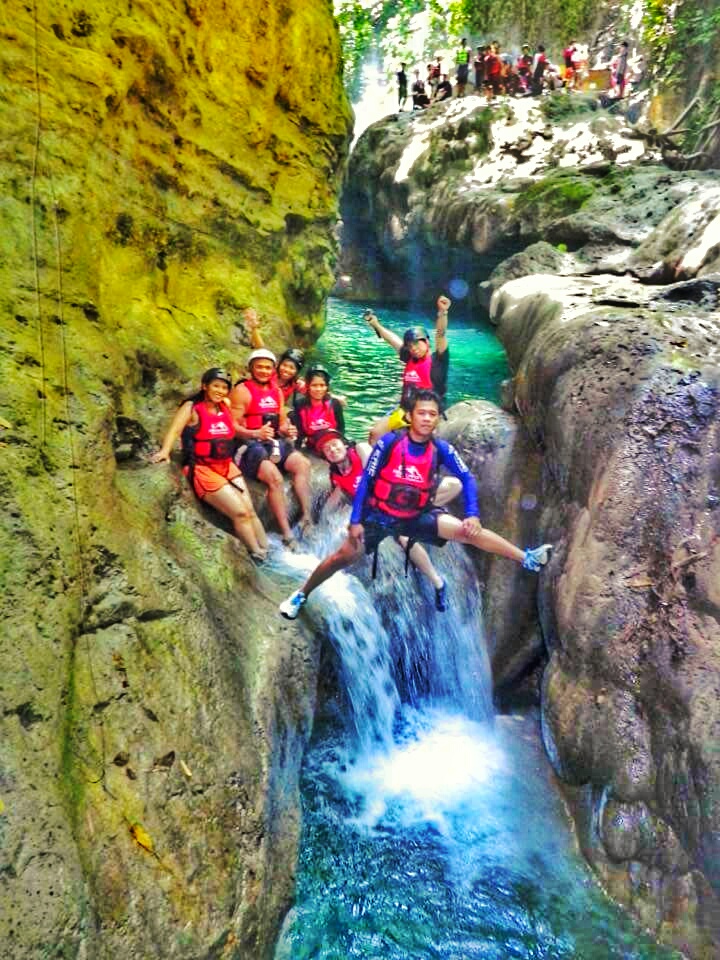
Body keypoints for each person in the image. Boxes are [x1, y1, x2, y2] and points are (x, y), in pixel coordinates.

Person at [279, 390, 553, 619]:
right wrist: (355, 521)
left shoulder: (441, 449)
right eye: (422, 413)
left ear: (437, 419)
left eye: (432, 414)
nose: (427, 418)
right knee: (340, 558)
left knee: (468, 531)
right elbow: (366, 481)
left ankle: (527, 558)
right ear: (410, 416)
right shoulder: (390, 443)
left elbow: (467, 478)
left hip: (414, 514)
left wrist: (472, 514)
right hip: (379, 514)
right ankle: (301, 594)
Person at [313, 429, 462, 611]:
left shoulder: (360, 450)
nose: (332, 449)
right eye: (327, 449)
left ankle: (437, 580)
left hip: (396, 496)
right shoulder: (337, 477)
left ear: (344, 444)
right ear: (325, 457)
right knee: (402, 537)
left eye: (335, 444)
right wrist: (317, 522)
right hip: (382, 512)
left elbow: (374, 473)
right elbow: (334, 500)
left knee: (453, 486)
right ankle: (438, 583)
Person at [150, 368, 268, 560]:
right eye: (216, 386)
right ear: (205, 386)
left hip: (227, 466)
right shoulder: (191, 408)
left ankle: (266, 549)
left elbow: (233, 427)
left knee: (250, 510)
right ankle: (257, 553)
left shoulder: (225, 405)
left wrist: (255, 433)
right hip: (203, 468)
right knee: (240, 513)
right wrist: (165, 451)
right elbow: (175, 430)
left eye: (224, 388)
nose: (220, 391)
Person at [230, 349, 313, 546]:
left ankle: (306, 516)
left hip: (271, 441)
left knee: (302, 464)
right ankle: (287, 533)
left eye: (268, 368)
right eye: (259, 367)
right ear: (251, 368)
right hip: (247, 444)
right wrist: (254, 433)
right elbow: (231, 426)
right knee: (274, 478)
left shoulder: (276, 391)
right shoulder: (242, 391)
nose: (264, 371)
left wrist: (288, 430)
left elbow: (282, 423)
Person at [366, 294, 451, 444]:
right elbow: (392, 340)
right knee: (375, 434)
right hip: (405, 411)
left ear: (427, 342)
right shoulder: (410, 357)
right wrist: (376, 325)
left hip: (426, 413)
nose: (414, 349)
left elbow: (441, 334)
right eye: (410, 346)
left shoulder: (438, 360)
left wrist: (442, 312)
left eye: (417, 344)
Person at [242, 307, 306, 407]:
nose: (286, 370)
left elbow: (314, 389)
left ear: (296, 371)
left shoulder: (294, 383)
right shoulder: (270, 373)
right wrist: (254, 328)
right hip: (256, 405)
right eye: (284, 365)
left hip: (274, 410)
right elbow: (261, 349)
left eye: (291, 368)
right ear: (279, 364)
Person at [292, 365, 346, 454]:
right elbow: (300, 433)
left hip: (334, 446)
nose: (318, 389)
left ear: (327, 387)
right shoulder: (300, 405)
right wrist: (297, 451)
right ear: (308, 386)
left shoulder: (335, 404)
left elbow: (341, 429)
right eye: (314, 385)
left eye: (322, 385)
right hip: (312, 448)